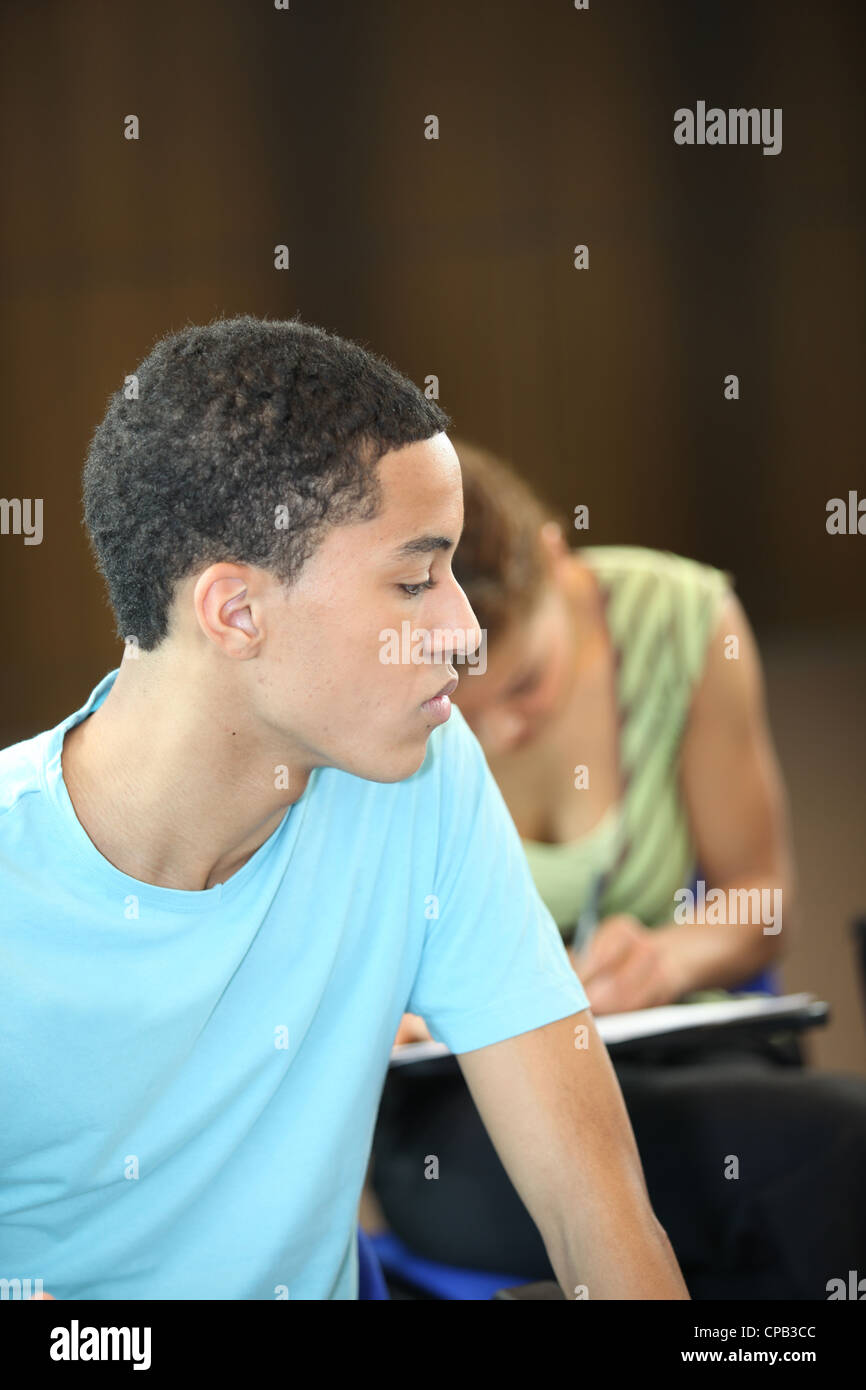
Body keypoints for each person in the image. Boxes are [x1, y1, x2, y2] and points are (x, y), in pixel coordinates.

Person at [0, 318, 689, 1301]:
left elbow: (596, 1214)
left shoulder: (423, 773)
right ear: (235, 612)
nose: (463, 636)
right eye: (414, 580)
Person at [371, 439, 866, 1300]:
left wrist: (666, 958)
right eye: (464, 705)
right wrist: (388, 1006)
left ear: (559, 559)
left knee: (791, 1181)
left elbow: (762, 901)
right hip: (471, 1100)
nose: (499, 738)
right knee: (820, 1161)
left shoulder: (680, 618)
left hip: (678, 1051)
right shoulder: (369, 694)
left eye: (525, 685)